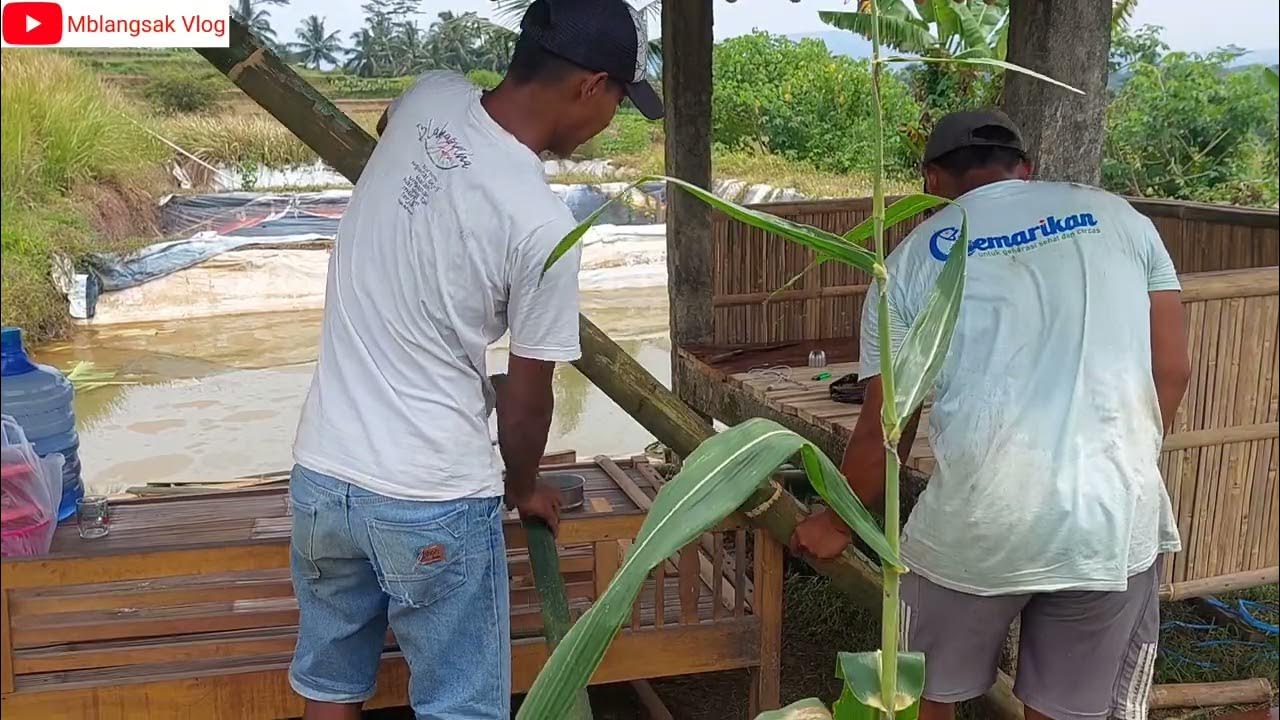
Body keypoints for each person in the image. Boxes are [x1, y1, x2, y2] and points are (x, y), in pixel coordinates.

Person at [286, 1, 663, 717]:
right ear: (590, 86)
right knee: (461, 706)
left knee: (329, 687)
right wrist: (523, 486)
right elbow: (526, 401)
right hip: (429, 493)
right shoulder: (543, 225)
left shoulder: (430, 94)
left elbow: (391, 132)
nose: (612, 119)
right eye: (619, 100)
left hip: (322, 477)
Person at [791, 110, 1192, 720]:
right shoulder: (1123, 220)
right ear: (1025, 169)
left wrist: (838, 522)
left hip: (978, 524)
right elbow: (1173, 371)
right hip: (1110, 519)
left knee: (921, 695)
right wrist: (1118, 455)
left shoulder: (907, 263)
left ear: (931, 178)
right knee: (1068, 708)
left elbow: (887, 426)